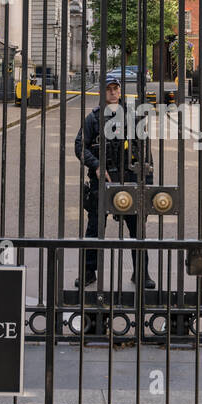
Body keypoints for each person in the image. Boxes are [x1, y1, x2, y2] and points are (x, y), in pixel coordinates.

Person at [73, 73, 156, 290]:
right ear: (103, 92)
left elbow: (145, 152)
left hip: (130, 181)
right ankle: (88, 271)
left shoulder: (133, 116)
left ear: (120, 91)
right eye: (108, 88)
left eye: (115, 88)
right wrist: (97, 166)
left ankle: (141, 273)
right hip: (103, 182)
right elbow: (79, 146)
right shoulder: (93, 118)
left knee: (138, 230)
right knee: (94, 229)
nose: (112, 92)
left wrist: (147, 183)